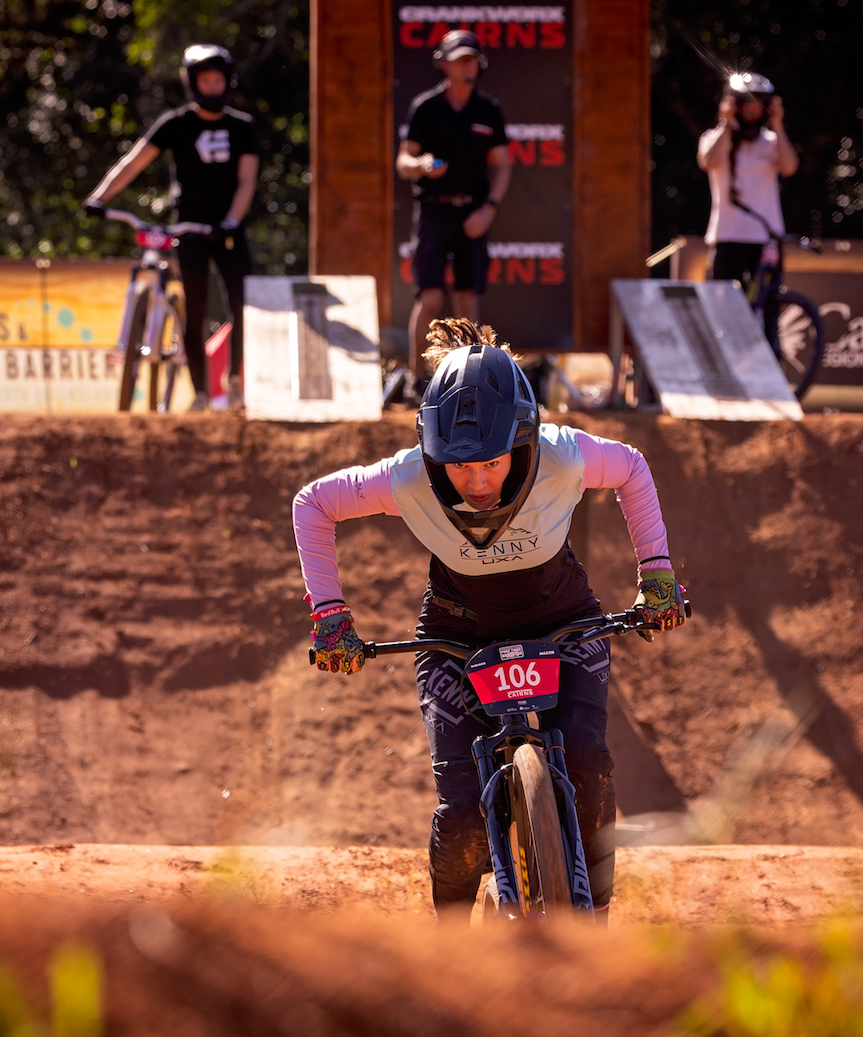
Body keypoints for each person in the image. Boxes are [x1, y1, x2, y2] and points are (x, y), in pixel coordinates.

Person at [291, 319, 686, 920]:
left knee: (588, 765)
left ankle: (595, 925)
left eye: (494, 463)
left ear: (525, 442)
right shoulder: (407, 476)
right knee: (463, 817)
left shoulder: (562, 455)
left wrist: (655, 575)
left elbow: (632, 467)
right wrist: (330, 615)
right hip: (455, 637)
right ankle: (451, 948)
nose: (477, 482)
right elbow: (313, 503)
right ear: (431, 452)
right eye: (458, 466)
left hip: (564, 624)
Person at [83, 44, 259, 410]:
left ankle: (236, 380)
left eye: (218, 80)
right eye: (204, 80)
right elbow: (133, 162)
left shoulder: (243, 127)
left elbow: (247, 180)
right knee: (193, 309)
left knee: (242, 304)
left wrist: (231, 221)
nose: (212, 87)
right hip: (187, 227)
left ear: (228, 82)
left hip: (227, 229)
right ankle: (199, 393)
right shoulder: (175, 124)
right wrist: (99, 197)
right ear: (192, 83)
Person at [396, 30, 512, 393]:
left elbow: (503, 165)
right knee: (429, 297)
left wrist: (489, 210)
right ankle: (416, 378)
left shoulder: (488, 109)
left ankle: (466, 383)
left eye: (472, 60)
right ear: (443, 63)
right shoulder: (425, 107)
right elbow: (402, 162)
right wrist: (422, 164)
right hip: (434, 211)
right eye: (460, 59)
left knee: (467, 300)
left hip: (473, 214)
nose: (468, 66)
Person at [697, 71, 800, 290]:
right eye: (747, 105)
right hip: (728, 235)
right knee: (721, 304)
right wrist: (726, 123)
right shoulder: (715, 138)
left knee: (768, 303)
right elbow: (707, 162)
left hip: (766, 237)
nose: (753, 112)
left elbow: (789, 167)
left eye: (758, 106)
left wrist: (778, 124)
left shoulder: (771, 142)